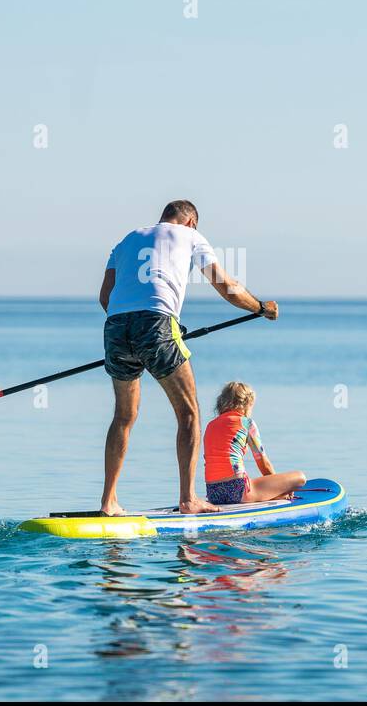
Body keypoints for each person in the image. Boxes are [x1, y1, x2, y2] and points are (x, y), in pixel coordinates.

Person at [98, 199, 278, 516]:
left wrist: (130, 336)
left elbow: (106, 298)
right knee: (189, 414)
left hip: (114, 328)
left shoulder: (125, 240)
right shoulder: (191, 237)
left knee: (124, 417)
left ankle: (109, 502)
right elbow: (229, 288)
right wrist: (261, 308)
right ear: (191, 222)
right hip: (156, 325)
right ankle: (188, 499)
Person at [203, 381, 306, 505]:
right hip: (238, 491)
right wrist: (280, 490)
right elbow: (263, 463)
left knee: (251, 481)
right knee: (300, 477)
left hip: (213, 494)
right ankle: (270, 496)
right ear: (247, 403)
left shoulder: (210, 426)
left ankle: (262, 494)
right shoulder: (247, 423)